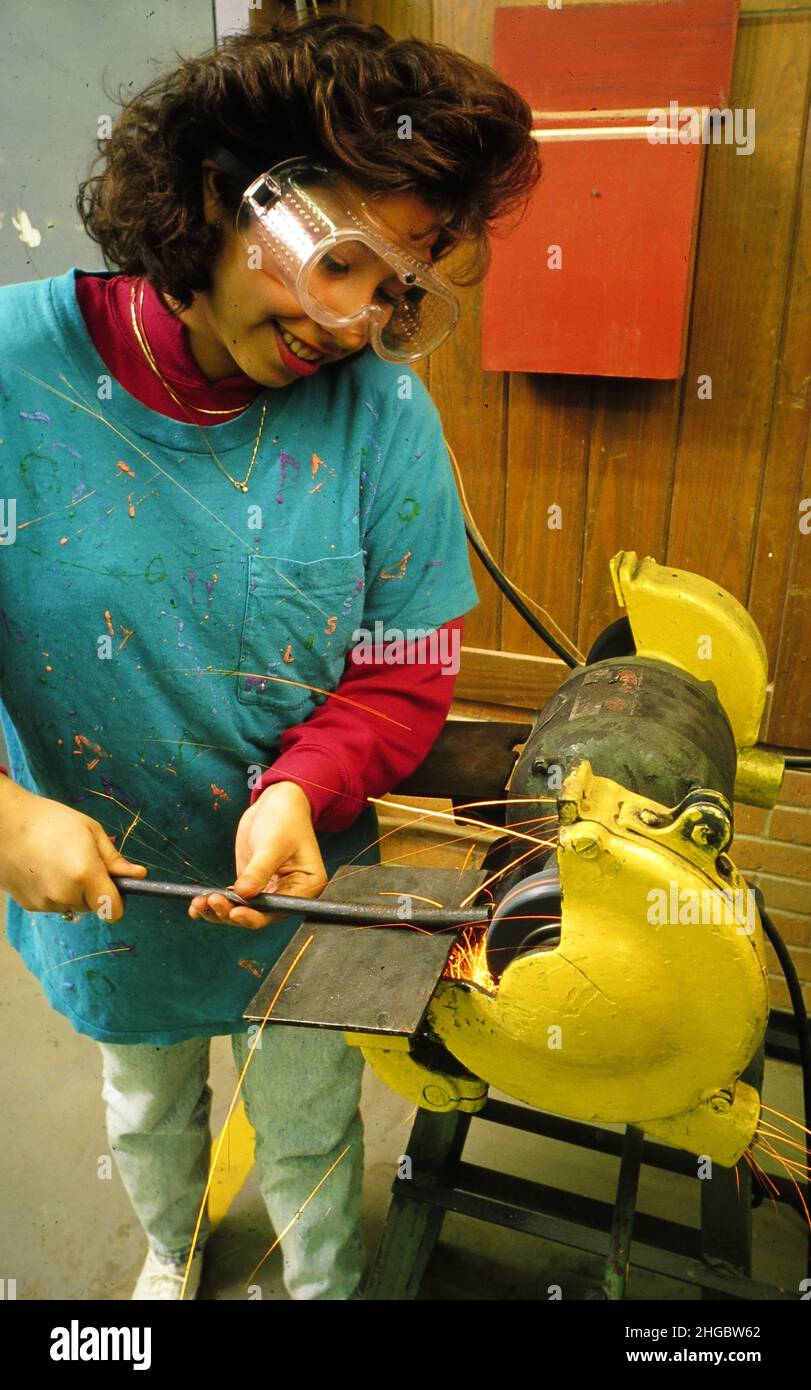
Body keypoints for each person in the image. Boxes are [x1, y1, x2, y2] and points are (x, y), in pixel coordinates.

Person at [0, 14, 540, 1300]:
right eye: (337, 261)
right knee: (145, 1103)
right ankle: (169, 1246)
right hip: (104, 890)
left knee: (308, 1109)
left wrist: (306, 783)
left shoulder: (380, 411)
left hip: (304, 872)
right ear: (207, 191)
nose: (355, 324)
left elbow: (405, 663)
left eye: (395, 288)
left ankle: (322, 1282)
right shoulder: (16, 372)